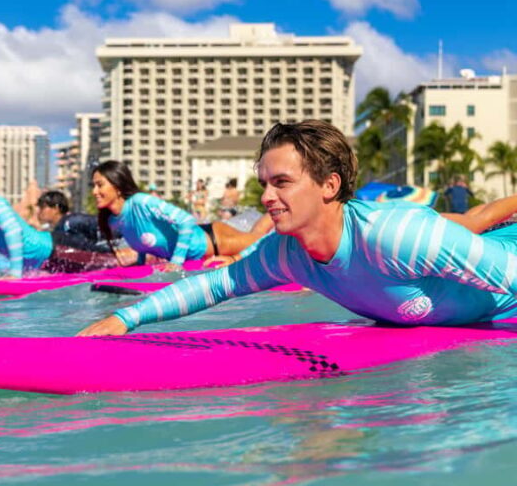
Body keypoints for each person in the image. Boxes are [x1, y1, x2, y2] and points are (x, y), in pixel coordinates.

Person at [79, 120, 517, 336]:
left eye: (282, 183)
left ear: (329, 185)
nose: (267, 197)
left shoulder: (395, 237)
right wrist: (123, 318)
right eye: (264, 184)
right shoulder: (286, 256)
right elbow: (213, 287)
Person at [0, 158, 118, 278]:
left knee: (117, 262)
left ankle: (142, 256)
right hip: (47, 259)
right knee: (113, 261)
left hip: (56, 250)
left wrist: (15, 273)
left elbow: (12, 229)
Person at [93, 160, 272, 270]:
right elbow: (142, 243)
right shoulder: (114, 220)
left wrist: (176, 262)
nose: (95, 191)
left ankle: (277, 214)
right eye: (93, 185)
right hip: (202, 249)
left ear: (117, 185)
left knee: (263, 244)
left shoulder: (141, 202)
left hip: (214, 242)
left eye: (100, 185)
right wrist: (138, 267)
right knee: (255, 235)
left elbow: (186, 220)